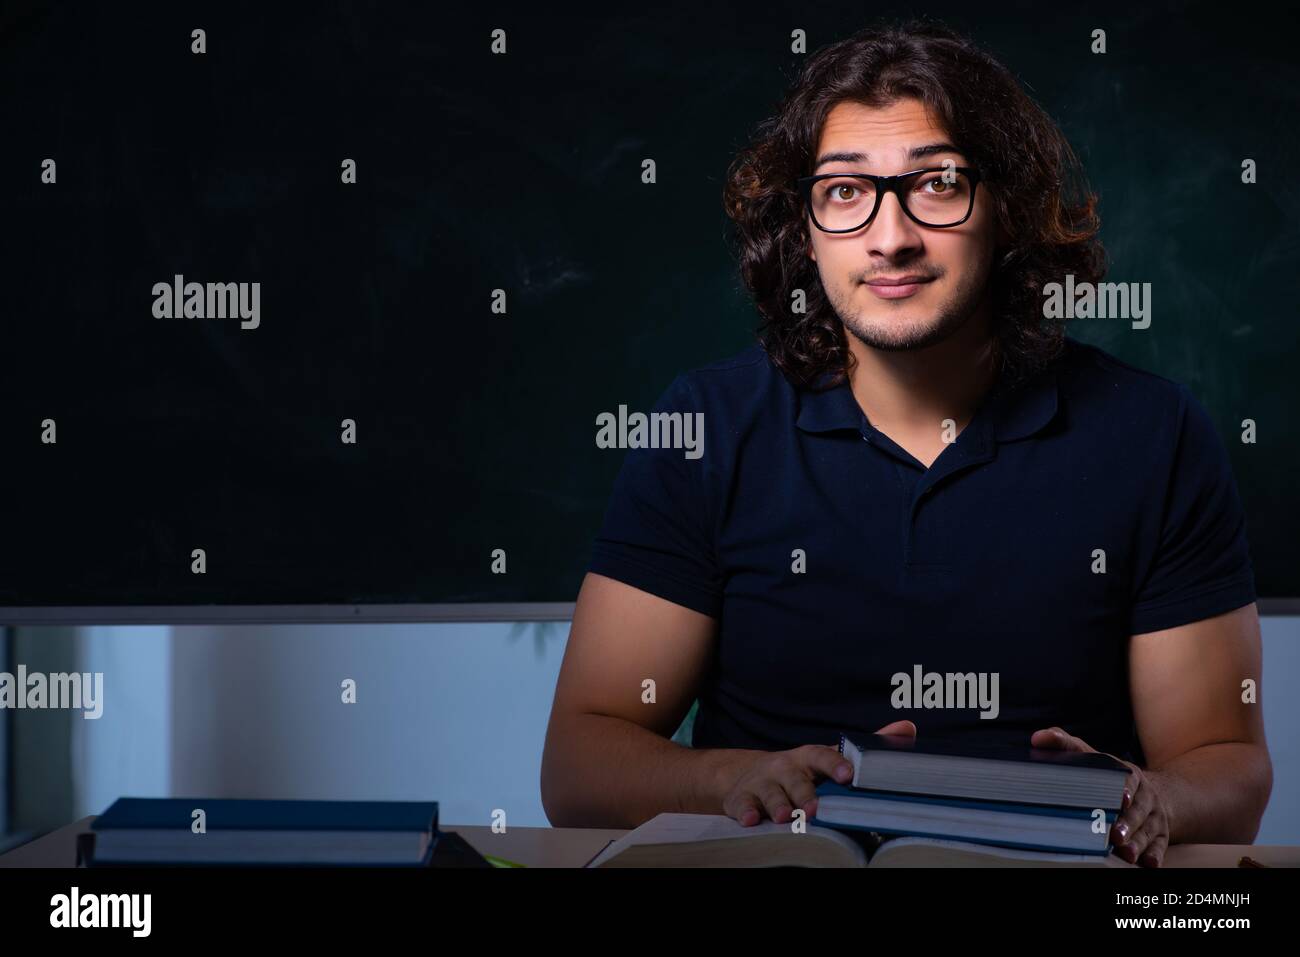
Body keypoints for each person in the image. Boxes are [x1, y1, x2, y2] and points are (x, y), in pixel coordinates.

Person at [540, 21, 1271, 867]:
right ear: (803, 226)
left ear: (1008, 209)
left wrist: (1151, 799)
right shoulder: (705, 426)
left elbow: (1229, 766)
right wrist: (735, 778)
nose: (890, 237)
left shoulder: (1154, 433)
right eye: (846, 192)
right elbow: (578, 763)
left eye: (936, 183)